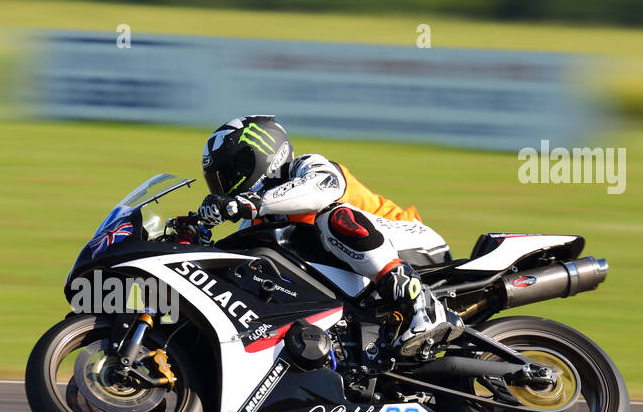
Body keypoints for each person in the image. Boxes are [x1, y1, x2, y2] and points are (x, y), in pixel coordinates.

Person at [197, 115, 462, 356]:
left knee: (332, 218)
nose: (227, 185)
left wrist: (249, 202)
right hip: (361, 278)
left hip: (413, 245)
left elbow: (320, 190)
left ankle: (418, 303)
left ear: (265, 154)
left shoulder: (307, 167)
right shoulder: (256, 219)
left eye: (234, 171)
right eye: (219, 180)